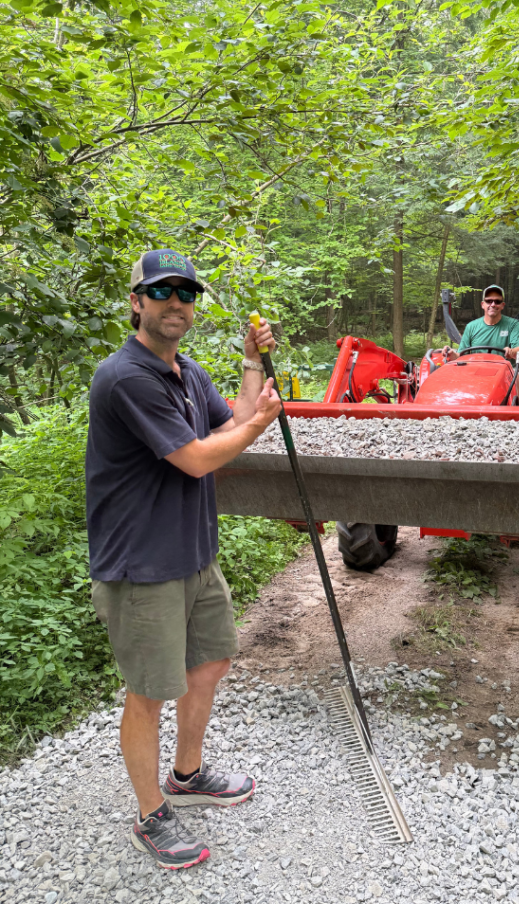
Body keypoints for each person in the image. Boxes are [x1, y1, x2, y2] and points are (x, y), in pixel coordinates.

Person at [86, 248, 282, 870]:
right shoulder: (127, 377)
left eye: (187, 293)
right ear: (136, 302)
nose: (176, 303)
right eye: (162, 291)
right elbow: (198, 458)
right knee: (149, 692)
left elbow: (233, 421)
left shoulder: (186, 372)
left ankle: (187, 775)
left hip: (194, 553)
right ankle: (151, 815)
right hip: (142, 566)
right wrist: (257, 428)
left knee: (210, 662)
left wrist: (251, 363)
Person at [442, 284, 519, 362]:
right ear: (482, 304)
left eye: (497, 301)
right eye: (489, 301)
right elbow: (460, 356)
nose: (493, 304)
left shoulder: (513, 324)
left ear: (502, 305)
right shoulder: (471, 327)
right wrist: (451, 354)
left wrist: (511, 351)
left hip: (504, 369)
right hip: (476, 368)